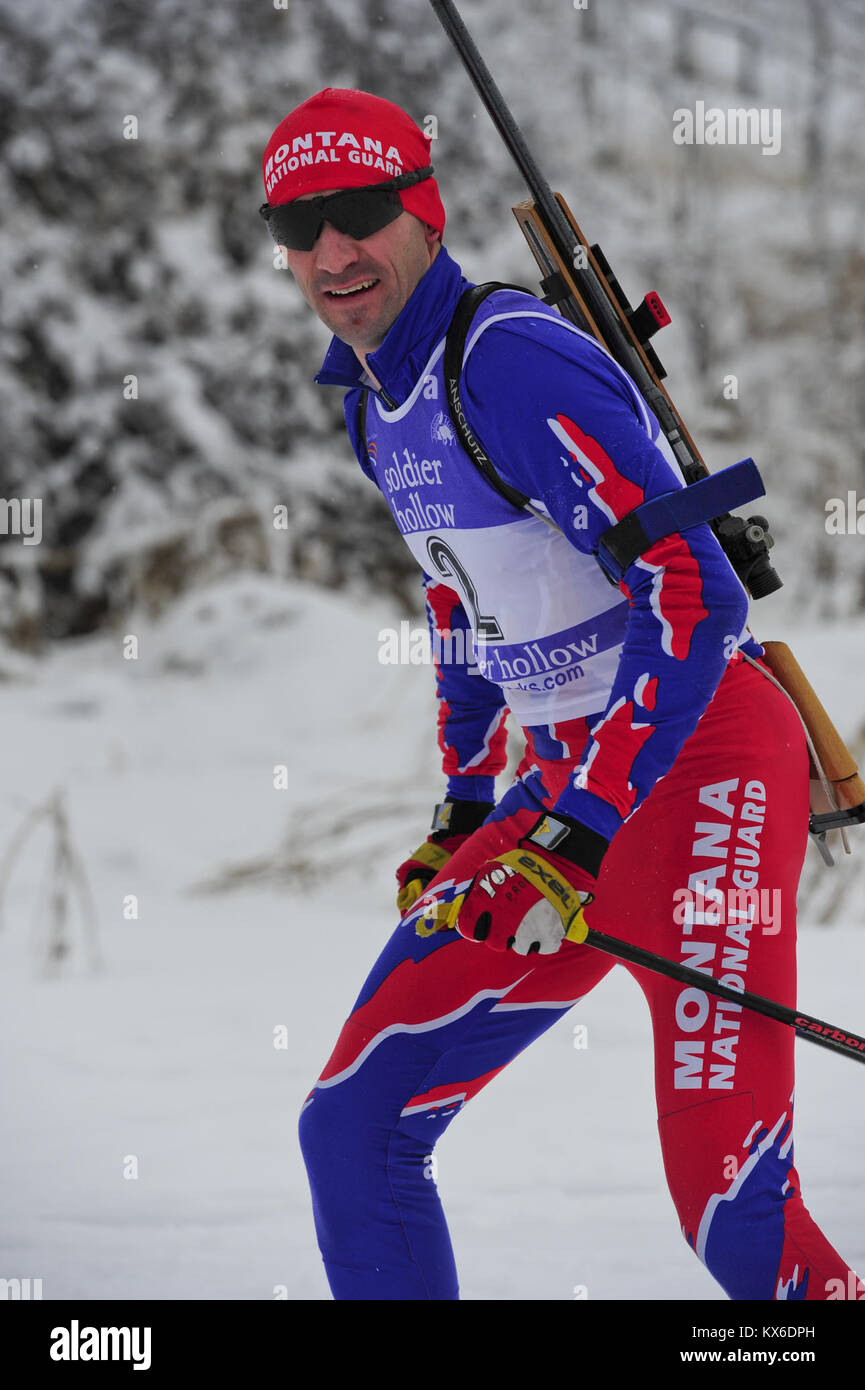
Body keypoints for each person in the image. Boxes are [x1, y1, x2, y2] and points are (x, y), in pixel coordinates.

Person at [261, 87, 860, 1301]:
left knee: (734, 1215)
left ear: (422, 212)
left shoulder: (510, 361)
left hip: (693, 773)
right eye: (298, 223)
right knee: (353, 1128)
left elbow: (696, 595)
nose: (331, 250)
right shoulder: (377, 397)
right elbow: (462, 600)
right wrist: (463, 808)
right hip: (560, 792)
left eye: (361, 211)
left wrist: (577, 832)